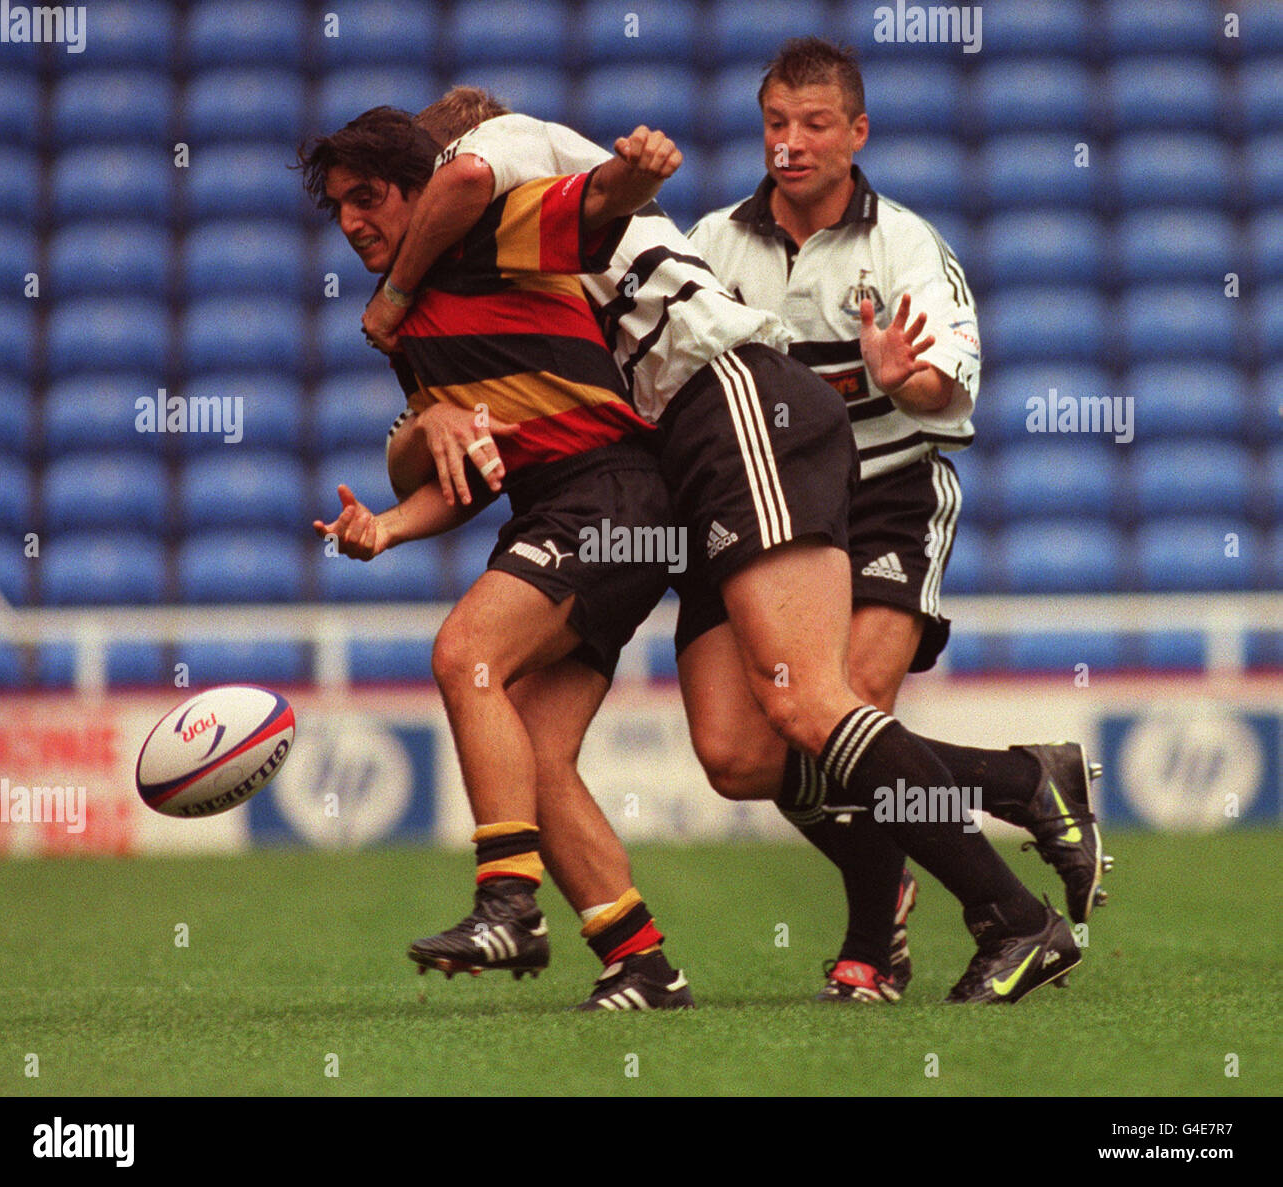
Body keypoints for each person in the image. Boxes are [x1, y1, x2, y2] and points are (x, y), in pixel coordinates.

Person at [363, 95, 1097, 1005]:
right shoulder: (499, 266)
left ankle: (1014, 917)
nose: (375, 218)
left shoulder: (500, 169)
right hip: (690, 454)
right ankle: (1018, 778)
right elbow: (449, 425)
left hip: (730, 397)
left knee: (812, 701)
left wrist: (391, 297)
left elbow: (479, 176)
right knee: (739, 750)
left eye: (392, 192)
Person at [685, 37, 1111, 1002]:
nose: (789, 143)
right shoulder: (711, 243)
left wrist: (897, 377)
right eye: (775, 123)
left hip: (885, 491)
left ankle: (881, 945)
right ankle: (1016, 783)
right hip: (762, 508)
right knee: (744, 755)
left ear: (857, 133)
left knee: (840, 714)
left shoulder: (904, 245)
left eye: (814, 124)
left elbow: (944, 382)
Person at [299, 108, 696, 1011]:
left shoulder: (489, 229)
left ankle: (507, 902)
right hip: (565, 506)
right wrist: (390, 525)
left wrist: (638, 171)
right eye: (339, 208)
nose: (353, 220)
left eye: (369, 198)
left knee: (462, 655)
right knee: (531, 749)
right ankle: (640, 960)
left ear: (419, 187)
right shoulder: (412, 339)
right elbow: (472, 474)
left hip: (611, 494)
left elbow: (594, 200)